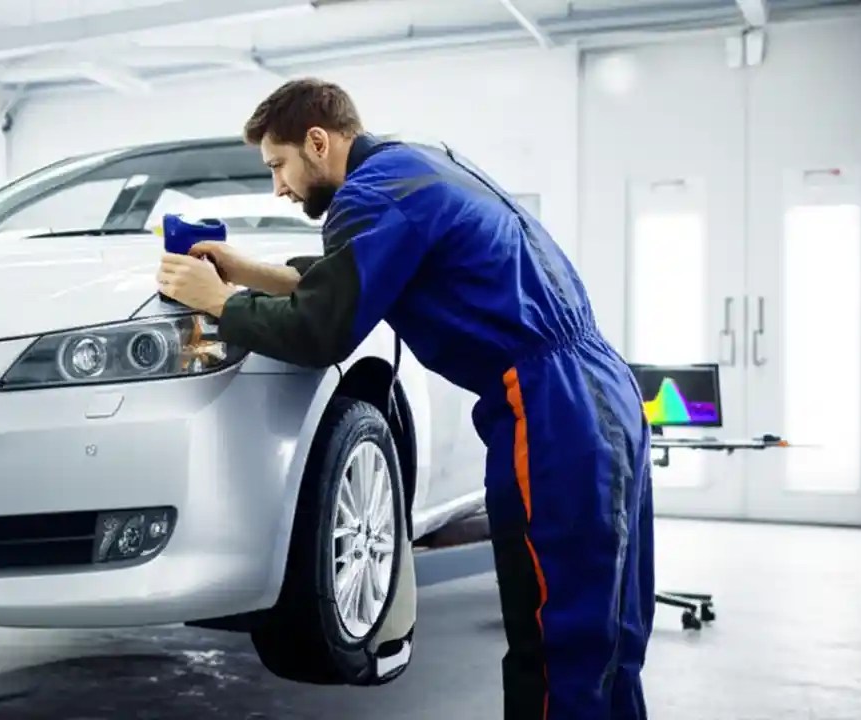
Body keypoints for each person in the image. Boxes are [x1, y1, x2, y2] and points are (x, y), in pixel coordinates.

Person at [156, 78, 655, 720]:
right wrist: (242, 269)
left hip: (552, 410)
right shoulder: (413, 168)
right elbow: (351, 279)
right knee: (611, 634)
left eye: (279, 165)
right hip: (603, 391)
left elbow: (321, 328)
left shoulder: (371, 197)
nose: (277, 185)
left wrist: (218, 302)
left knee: (558, 641)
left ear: (317, 142)